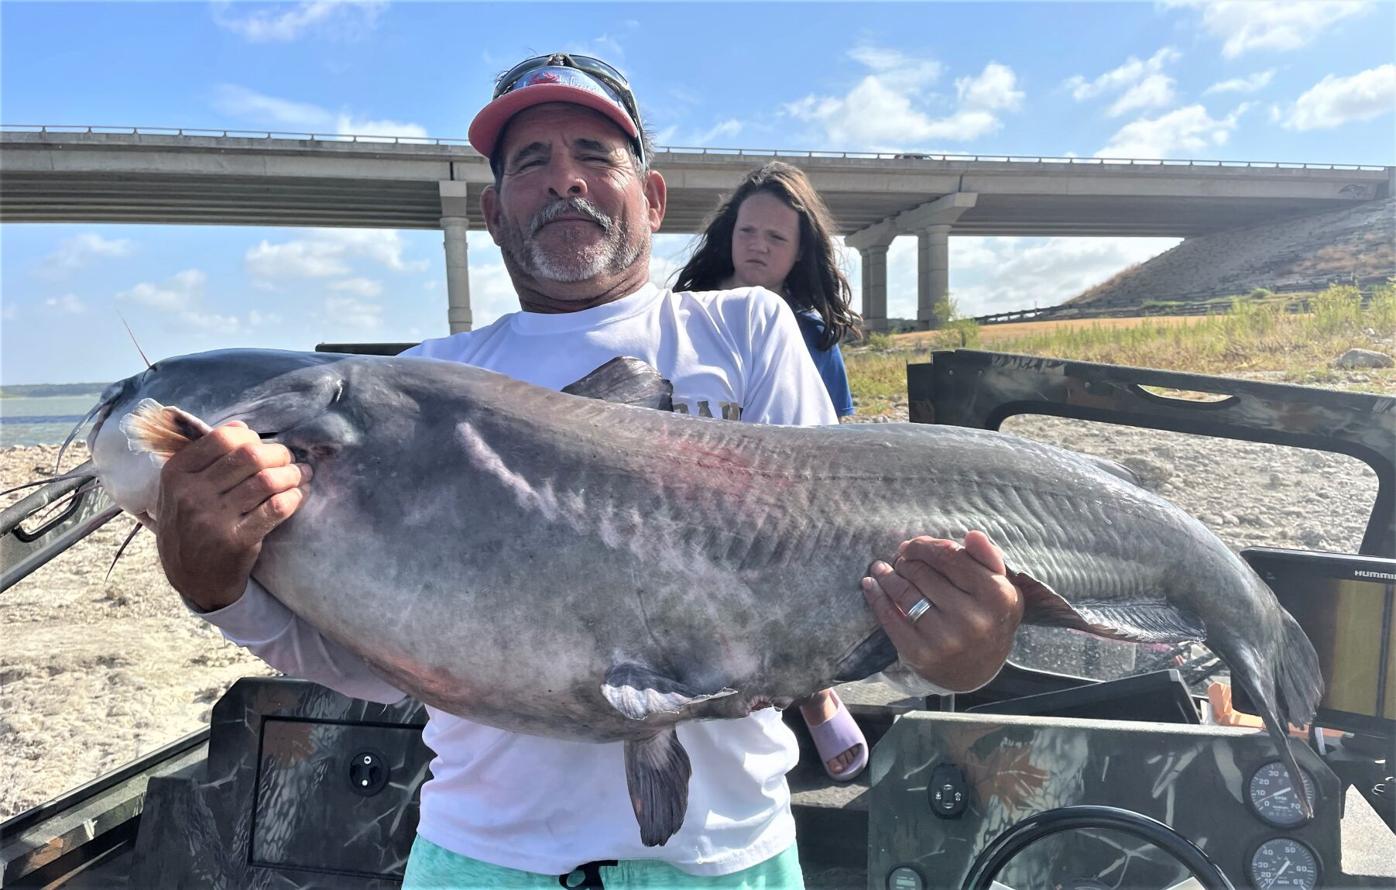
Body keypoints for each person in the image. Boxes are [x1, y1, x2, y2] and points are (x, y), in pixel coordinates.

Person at [150, 53, 1024, 889]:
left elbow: (833, 576)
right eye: (530, 161)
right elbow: (371, 656)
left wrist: (962, 653)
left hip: (729, 857)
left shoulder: (744, 331)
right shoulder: (418, 389)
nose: (564, 178)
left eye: (593, 154)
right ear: (493, 214)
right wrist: (213, 585)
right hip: (481, 855)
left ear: (650, 198)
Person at [675, 164, 865, 782]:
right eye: (748, 230)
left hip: (789, 505)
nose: (758, 245)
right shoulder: (682, 313)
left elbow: (834, 433)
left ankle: (816, 695)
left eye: (776, 238)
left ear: (800, 252)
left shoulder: (814, 335)